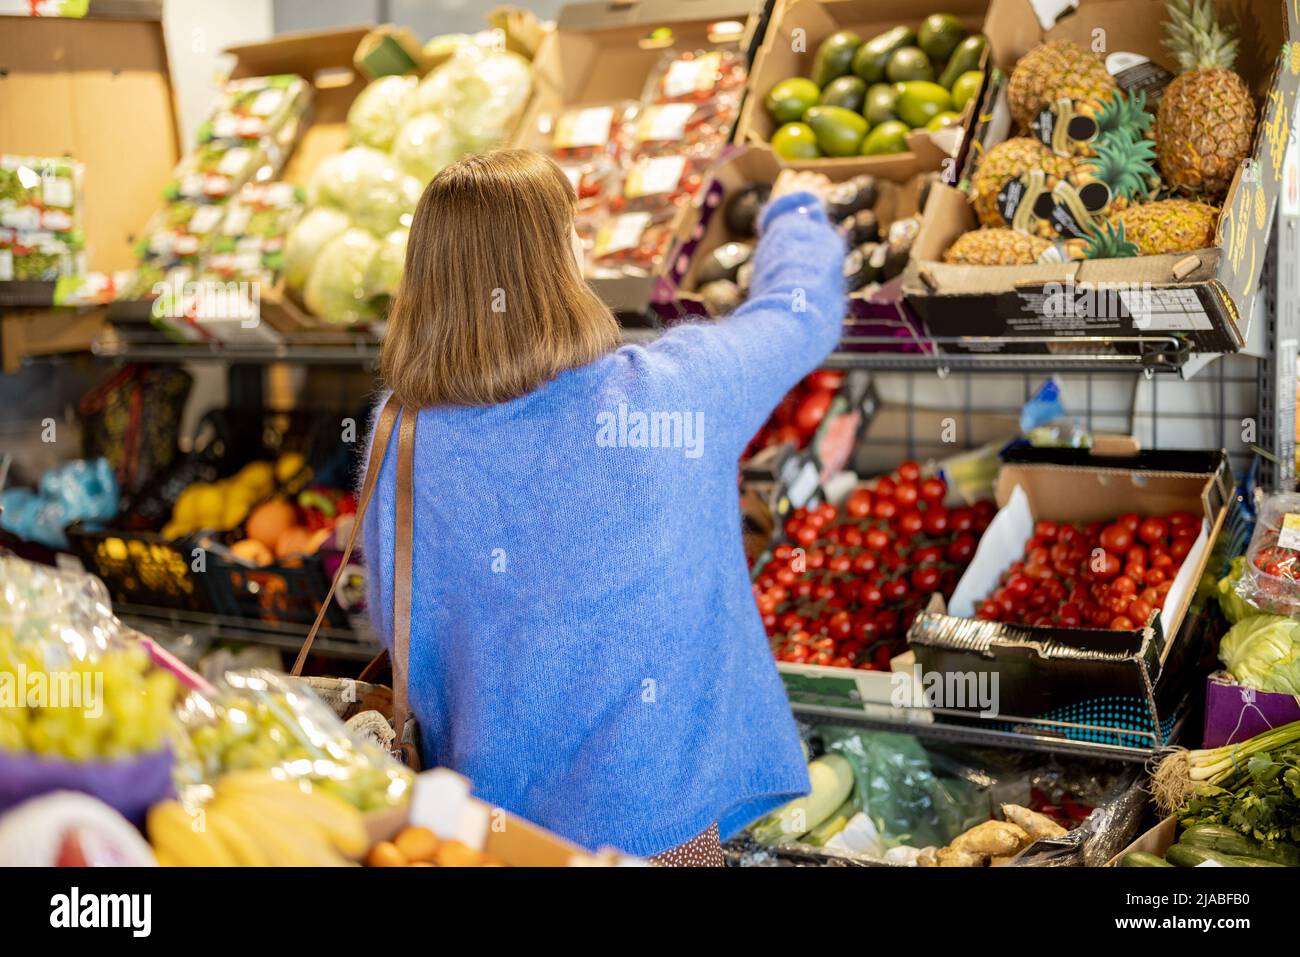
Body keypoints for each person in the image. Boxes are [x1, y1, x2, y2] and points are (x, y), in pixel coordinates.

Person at [363, 148, 844, 864]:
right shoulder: (670, 393)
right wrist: (795, 213)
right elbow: (795, 319)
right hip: (661, 833)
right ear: (560, 258)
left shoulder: (401, 431)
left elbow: (399, 621)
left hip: (490, 835)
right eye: (571, 232)